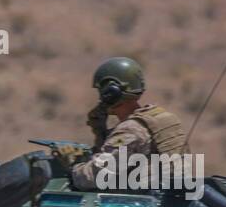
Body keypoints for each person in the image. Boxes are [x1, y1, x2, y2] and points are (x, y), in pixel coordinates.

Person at [62, 57, 190, 191]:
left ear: (111, 93)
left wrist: (73, 167)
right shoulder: (162, 118)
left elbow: (96, 175)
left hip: (143, 202)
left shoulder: (130, 130)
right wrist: (99, 130)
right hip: (171, 197)